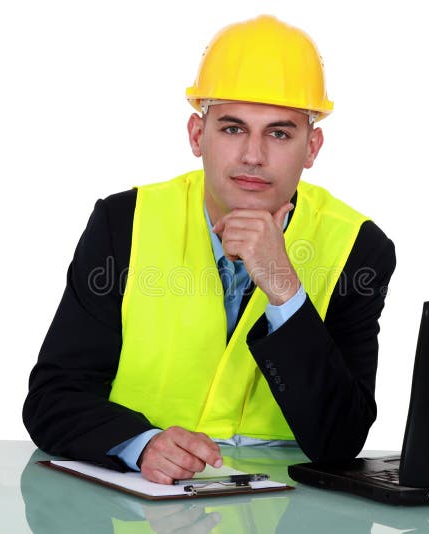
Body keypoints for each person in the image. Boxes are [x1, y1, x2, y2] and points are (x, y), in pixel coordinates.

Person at [23, 15, 396, 484]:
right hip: (141, 497)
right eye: (233, 129)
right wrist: (141, 445)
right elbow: (52, 399)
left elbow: (341, 441)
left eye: (279, 133)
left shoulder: (358, 248)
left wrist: (283, 287)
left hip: (290, 501)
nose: (253, 156)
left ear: (312, 147)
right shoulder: (124, 223)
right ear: (198, 136)